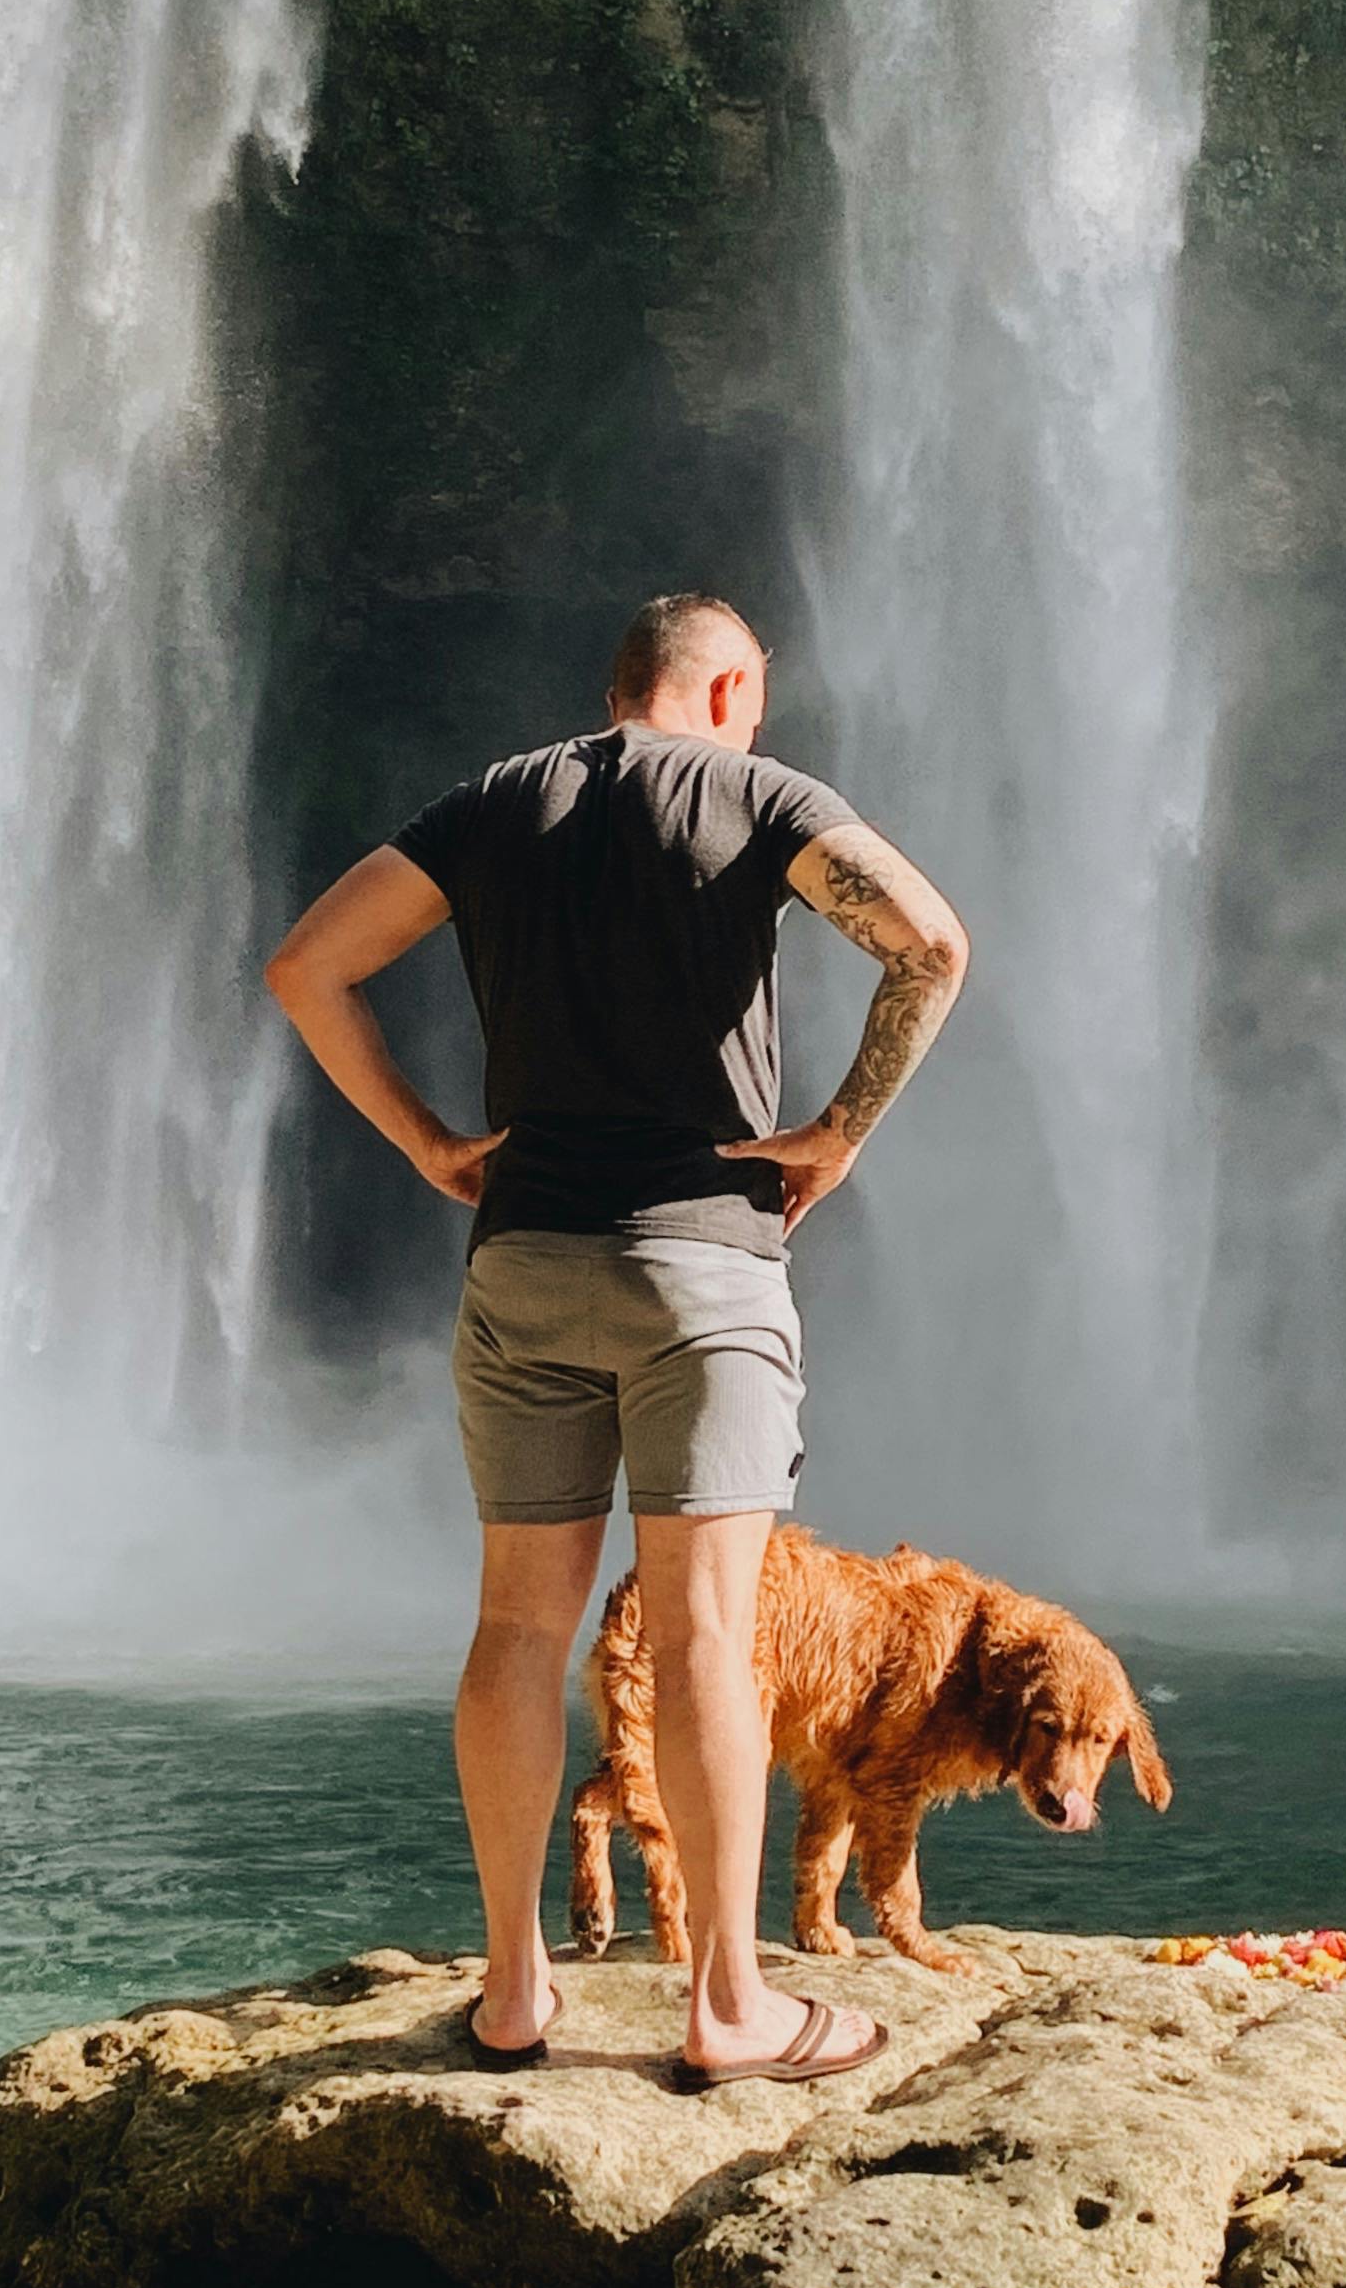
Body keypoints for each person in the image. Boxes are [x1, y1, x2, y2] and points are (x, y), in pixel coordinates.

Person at [262, 592, 970, 2085]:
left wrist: (428, 1144)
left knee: (519, 1627)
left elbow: (305, 969)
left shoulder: (493, 803)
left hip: (523, 1260)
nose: (757, 726)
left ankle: (513, 1991)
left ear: (615, 691)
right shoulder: (763, 796)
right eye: (756, 702)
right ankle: (728, 2006)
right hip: (702, 1270)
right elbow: (929, 947)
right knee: (706, 1630)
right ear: (723, 691)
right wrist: (839, 1131)